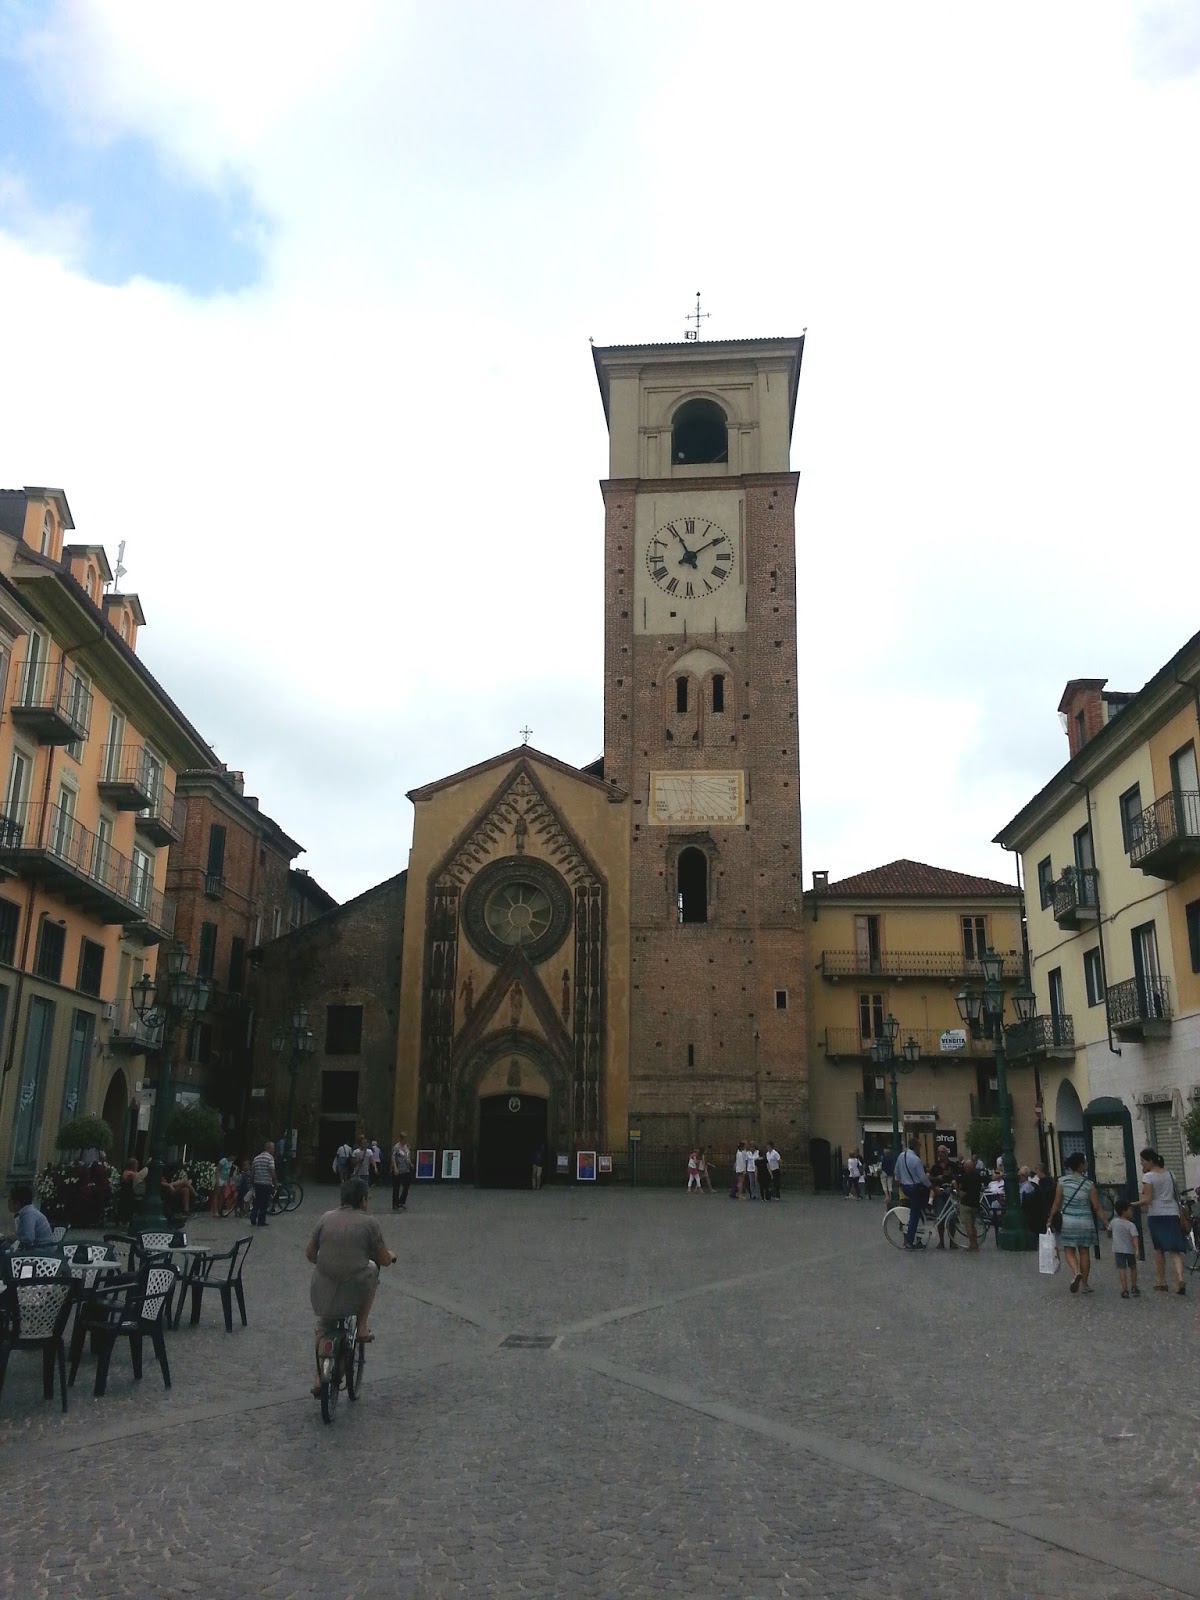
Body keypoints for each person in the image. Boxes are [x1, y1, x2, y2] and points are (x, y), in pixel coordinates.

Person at [306, 1177, 397, 1395]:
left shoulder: (325, 1218)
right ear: (363, 1200)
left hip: (322, 1289)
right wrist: (392, 1256)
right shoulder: (369, 1223)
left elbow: (310, 1254)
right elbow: (383, 1258)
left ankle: (319, 1378)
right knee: (374, 1269)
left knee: (324, 1326)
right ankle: (363, 1325)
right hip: (355, 1287)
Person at [1046, 1151, 1105, 1293]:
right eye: (1085, 1162)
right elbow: (1097, 1207)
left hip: (1069, 1221)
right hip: (1086, 1221)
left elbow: (1056, 1203)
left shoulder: (1062, 1181)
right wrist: (1106, 1223)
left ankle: (1075, 1272)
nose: (1086, 1164)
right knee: (1084, 1252)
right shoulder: (1088, 1184)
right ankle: (1085, 1284)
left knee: (1069, 1250)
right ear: (1080, 1165)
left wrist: (1050, 1219)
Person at [1137, 1147, 1188, 1294]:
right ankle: (1180, 1278)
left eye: (1143, 1161)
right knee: (1174, 1249)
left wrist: (1133, 1204)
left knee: (1159, 1249)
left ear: (1150, 1161)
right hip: (1172, 1213)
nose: (1142, 1164)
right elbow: (1175, 1194)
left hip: (1156, 1215)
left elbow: (1148, 1200)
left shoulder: (1149, 1177)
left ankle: (1161, 1281)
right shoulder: (1171, 1174)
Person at [894, 1140, 929, 1250]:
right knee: (915, 1213)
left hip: (905, 1187)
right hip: (915, 1188)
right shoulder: (916, 1160)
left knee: (917, 1210)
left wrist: (903, 1180)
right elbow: (923, 1178)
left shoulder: (901, 1156)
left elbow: (896, 1172)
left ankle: (917, 1234)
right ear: (916, 1147)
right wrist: (931, 1186)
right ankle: (909, 1241)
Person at [1106, 1197, 1140, 1299]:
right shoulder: (1131, 1225)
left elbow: (1109, 1231)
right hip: (1129, 1250)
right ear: (1124, 1211)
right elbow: (1135, 1238)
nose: (1132, 1212)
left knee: (1122, 1269)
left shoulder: (1114, 1222)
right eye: (1130, 1210)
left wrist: (1110, 1235)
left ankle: (1124, 1289)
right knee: (1133, 1268)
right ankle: (1134, 1286)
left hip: (1118, 1250)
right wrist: (1137, 1249)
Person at [929, 1146, 957, 1247]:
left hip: (950, 1194)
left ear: (946, 1154)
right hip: (939, 1193)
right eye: (938, 1152)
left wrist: (953, 1183)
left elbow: (958, 1177)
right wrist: (936, 1180)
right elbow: (930, 1179)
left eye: (942, 1152)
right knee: (940, 1217)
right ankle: (941, 1241)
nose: (940, 1154)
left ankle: (952, 1241)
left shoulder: (953, 1165)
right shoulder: (935, 1167)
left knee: (952, 1218)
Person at [955, 1156, 983, 1252]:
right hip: (975, 1203)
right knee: (973, 1224)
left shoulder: (964, 1176)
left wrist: (959, 1191)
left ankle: (972, 1244)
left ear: (966, 1167)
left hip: (966, 1203)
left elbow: (954, 1181)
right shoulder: (977, 1176)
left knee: (968, 1225)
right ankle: (975, 1244)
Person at [249, 1140, 276, 1228]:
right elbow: (272, 1171)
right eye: (273, 1148)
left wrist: (252, 1182)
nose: (274, 1150)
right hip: (266, 1183)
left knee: (257, 1201)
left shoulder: (256, 1158)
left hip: (257, 1183)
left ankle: (253, 1217)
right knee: (264, 1203)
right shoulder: (270, 1158)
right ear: (269, 1148)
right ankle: (261, 1220)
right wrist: (275, 1182)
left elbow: (252, 1172)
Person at [390, 1131, 412, 1211]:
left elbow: (407, 1157)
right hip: (398, 1169)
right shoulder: (396, 1147)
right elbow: (393, 1158)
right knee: (396, 1187)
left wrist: (410, 1163)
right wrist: (395, 1168)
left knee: (406, 1186)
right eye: (404, 1139)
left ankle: (401, 1201)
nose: (405, 1140)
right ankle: (395, 1204)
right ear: (401, 1139)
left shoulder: (407, 1146)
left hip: (406, 1169)